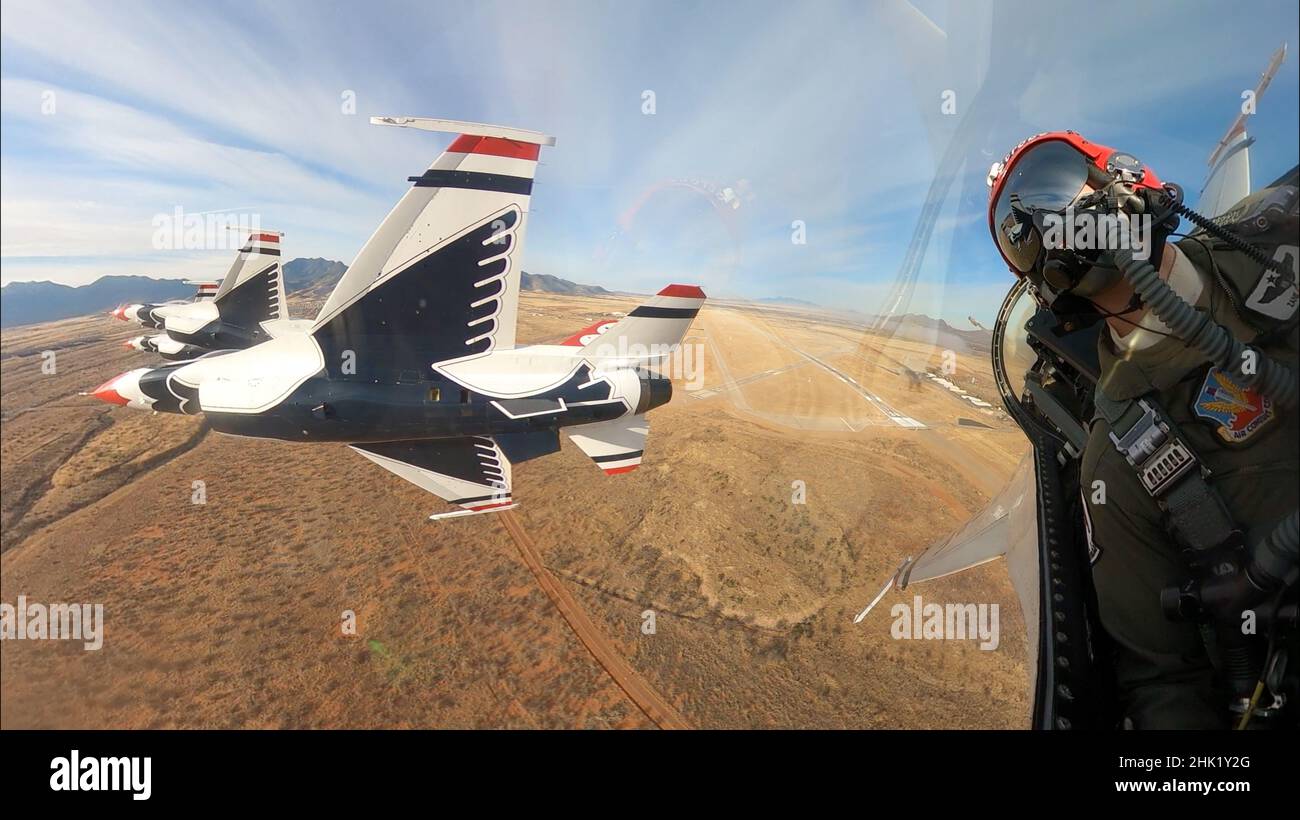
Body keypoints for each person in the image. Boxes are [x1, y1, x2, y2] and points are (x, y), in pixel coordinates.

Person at [986, 131, 1299, 728]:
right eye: (1020, 232)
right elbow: (1164, 681)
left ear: (1125, 176)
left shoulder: (1274, 233)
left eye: (1054, 184)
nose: (1051, 225)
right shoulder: (1119, 456)